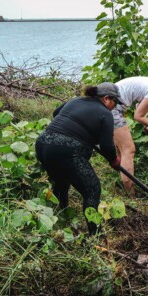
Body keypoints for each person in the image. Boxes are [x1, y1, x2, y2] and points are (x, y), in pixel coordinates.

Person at [35, 83, 122, 235]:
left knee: (61, 184)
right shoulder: (105, 113)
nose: (114, 107)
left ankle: (61, 222)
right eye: (115, 102)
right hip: (66, 150)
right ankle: (95, 234)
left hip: (43, 144)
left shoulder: (76, 100)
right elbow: (107, 146)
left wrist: (78, 127)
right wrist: (114, 160)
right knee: (92, 190)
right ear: (106, 98)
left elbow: (56, 113)